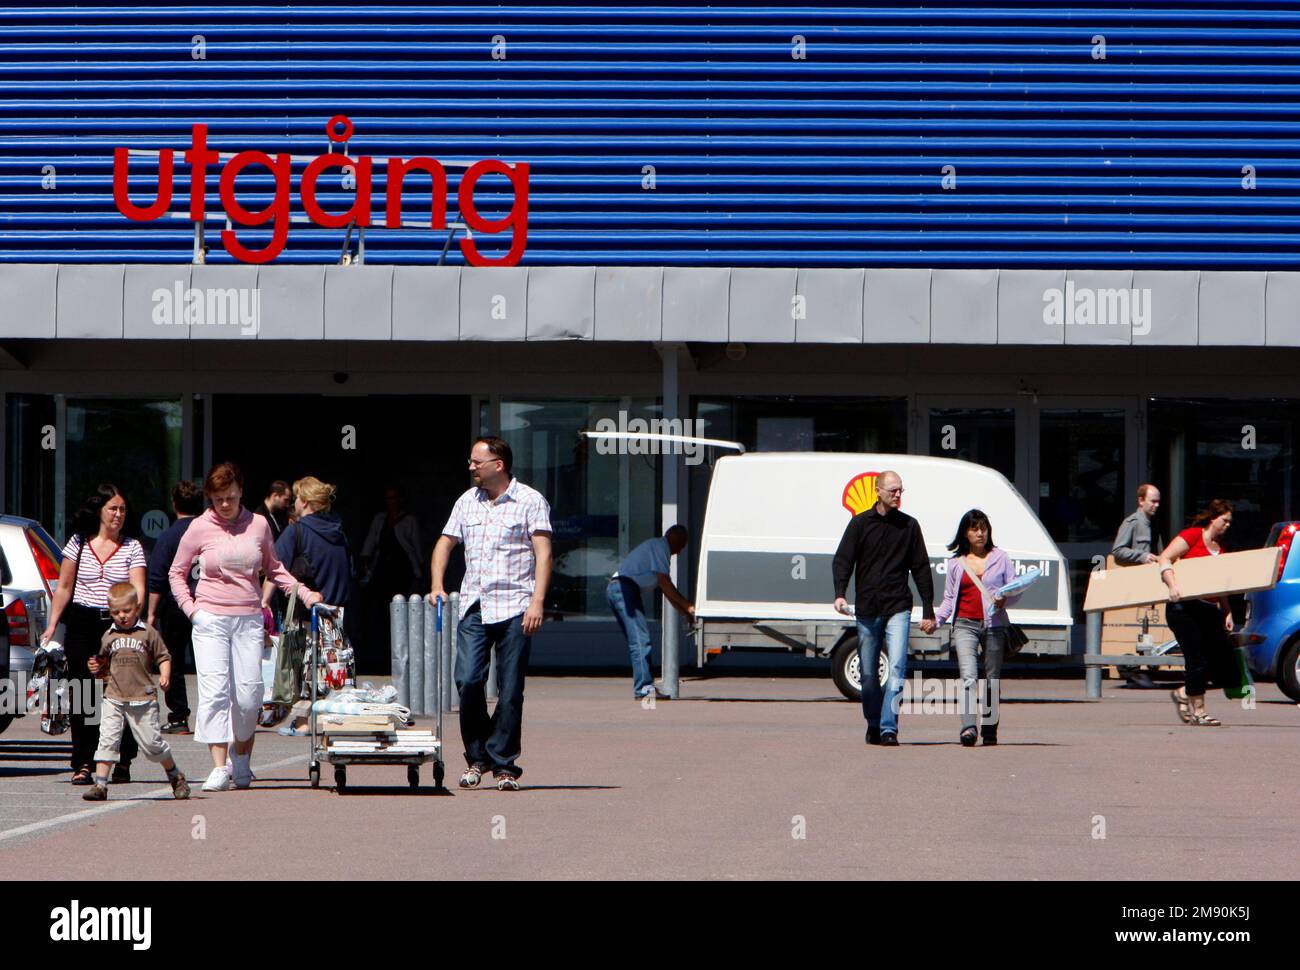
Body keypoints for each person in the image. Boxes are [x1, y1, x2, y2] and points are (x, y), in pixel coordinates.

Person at [169, 462, 322, 792]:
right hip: (209, 618)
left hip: (249, 618)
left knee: (250, 694)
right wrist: (192, 611)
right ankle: (218, 765)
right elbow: (175, 573)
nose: (225, 505)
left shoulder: (259, 525)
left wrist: (306, 595)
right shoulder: (198, 527)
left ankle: (242, 757)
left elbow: (274, 568)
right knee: (215, 692)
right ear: (210, 497)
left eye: (232, 497)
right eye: (219, 498)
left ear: (241, 494)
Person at [429, 436, 552, 791]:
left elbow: (543, 554)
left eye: (476, 462)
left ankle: (503, 763)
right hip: (475, 604)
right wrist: (437, 583)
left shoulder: (530, 500)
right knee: (468, 680)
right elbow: (445, 542)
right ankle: (477, 756)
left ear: (498, 464)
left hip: (516, 605)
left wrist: (538, 601)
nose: (470, 468)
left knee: (511, 689)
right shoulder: (467, 501)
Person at [41, 484, 145, 785]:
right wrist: (52, 625)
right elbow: (64, 587)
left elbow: (137, 591)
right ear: (99, 510)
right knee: (83, 691)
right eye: (113, 508)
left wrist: (131, 623)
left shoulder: (132, 547)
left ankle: (123, 759)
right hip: (82, 622)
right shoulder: (78, 543)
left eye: (123, 509)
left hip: (117, 623)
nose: (118, 514)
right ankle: (84, 761)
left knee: (121, 690)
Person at [832, 470, 935, 746]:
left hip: (898, 606)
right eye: (893, 490)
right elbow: (843, 560)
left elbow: (921, 568)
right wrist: (840, 594)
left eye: (901, 490)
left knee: (898, 667)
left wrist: (928, 608)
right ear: (878, 491)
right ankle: (873, 722)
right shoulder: (860, 524)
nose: (898, 495)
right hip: (867, 608)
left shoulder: (910, 526)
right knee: (868, 673)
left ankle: (889, 727)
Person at [82, 583, 190, 801]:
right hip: (114, 696)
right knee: (108, 740)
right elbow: (101, 664)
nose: (121, 616)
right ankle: (100, 785)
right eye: (116, 612)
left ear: (137, 607)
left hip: (143, 698)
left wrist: (165, 675)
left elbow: (163, 656)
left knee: (151, 745)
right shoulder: (109, 636)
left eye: (126, 611)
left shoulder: (147, 633)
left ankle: (175, 775)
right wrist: (94, 667)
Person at [263, 476, 354, 737]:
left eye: (295, 499)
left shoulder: (298, 530)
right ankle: (331, 719)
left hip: (309, 613)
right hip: (337, 612)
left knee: (305, 667)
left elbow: (273, 568)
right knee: (333, 668)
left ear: (304, 501)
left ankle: (303, 722)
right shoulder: (339, 531)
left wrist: (263, 601)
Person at [933, 510, 1023, 747]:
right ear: (966, 532)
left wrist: (1005, 599)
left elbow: (1015, 590)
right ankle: (968, 728)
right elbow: (949, 599)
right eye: (974, 529)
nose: (980, 533)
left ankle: (990, 729)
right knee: (968, 677)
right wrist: (937, 621)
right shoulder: (956, 563)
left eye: (983, 528)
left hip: (994, 625)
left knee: (992, 679)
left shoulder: (1000, 557)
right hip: (964, 625)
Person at [1160, 499, 1237, 727]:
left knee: (1221, 662)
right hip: (1183, 608)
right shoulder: (1192, 536)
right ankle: (1199, 713)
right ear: (1214, 518)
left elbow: (1219, 585)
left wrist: (1227, 612)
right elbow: (1165, 558)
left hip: (1206, 608)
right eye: (1225, 521)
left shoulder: (1219, 550)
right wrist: (1172, 585)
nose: (1227, 526)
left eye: (1230, 523)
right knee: (1197, 659)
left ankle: (1185, 693)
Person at [146, 480, 205, 734]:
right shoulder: (209, 532)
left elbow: (157, 578)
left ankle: (179, 715)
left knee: (174, 660)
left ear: (174, 504)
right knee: (210, 661)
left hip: (177, 605)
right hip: (209, 602)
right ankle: (215, 715)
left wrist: (150, 614)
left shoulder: (169, 536)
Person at [607, 526, 693, 700]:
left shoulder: (657, 547)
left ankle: (644, 687)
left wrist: (685, 612)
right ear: (675, 538)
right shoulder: (661, 547)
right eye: (683, 544)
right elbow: (665, 583)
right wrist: (689, 607)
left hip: (620, 589)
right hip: (624, 589)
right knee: (641, 640)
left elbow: (666, 591)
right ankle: (644, 689)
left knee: (637, 641)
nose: (682, 549)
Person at [1111, 483, 1166, 689]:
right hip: (1135, 584)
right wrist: (1143, 556)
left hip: (1152, 584)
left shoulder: (1155, 523)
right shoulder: (1132, 522)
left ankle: (1144, 667)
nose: (1156, 505)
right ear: (1141, 501)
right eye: (1152, 501)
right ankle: (1132, 669)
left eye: (1158, 501)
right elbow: (1118, 551)